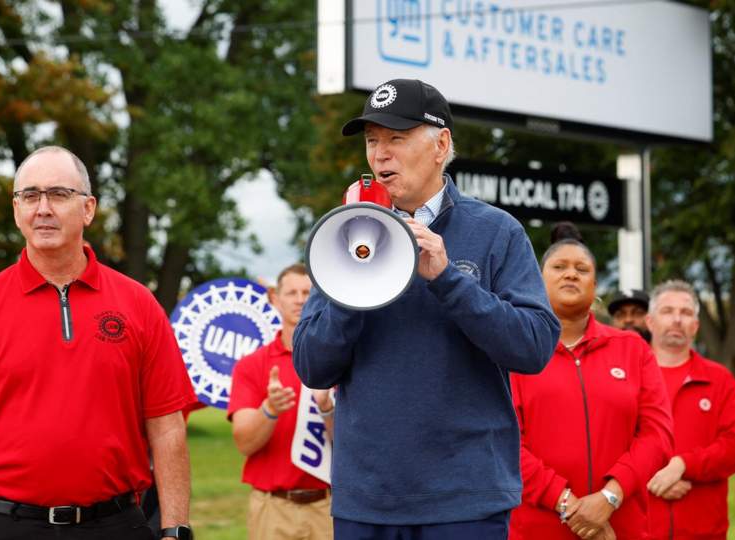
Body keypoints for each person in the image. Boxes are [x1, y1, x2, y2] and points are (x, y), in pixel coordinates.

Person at [293, 79, 560, 540]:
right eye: (372, 141)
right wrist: (354, 281)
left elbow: (533, 346)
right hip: (367, 501)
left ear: (441, 145)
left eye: (396, 138)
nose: (380, 155)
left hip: (465, 501)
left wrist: (448, 280)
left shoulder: (497, 231)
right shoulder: (344, 232)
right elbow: (313, 366)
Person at [0, 146, 196, 539]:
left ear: (88, 209)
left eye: (59, 194)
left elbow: (166, 426)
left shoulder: (138, 304)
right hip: (2, 525)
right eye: (30, 195)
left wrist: (175, 528)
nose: (43, 208)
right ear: (16, 209)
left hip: (113, 524)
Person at [509, 229, 673, 540]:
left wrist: (610, 496)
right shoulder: (514, 351)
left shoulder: (633, 349)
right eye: (559, 267)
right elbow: (506, 442)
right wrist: (568, 505)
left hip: (621, 527)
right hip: (536, 528)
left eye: (582, 269)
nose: (571, 274)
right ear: (536, 280)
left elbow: (657, 434)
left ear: (595, 285)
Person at [229, 263, 335, 540]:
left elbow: (355, 444)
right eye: (291, 293)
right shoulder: (252, 365)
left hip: (330, 506)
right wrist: (269, 410)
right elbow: (244, 442)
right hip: (272, 506)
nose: (300, 300)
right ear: (275, 299)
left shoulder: (340, 361)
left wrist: (327, 409)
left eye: (308, 292)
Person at [644, 279, 735, 540]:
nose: (677, 319)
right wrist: (655, 479)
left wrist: (683, 464)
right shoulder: (628, 376)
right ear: (650, 322)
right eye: (667, 311)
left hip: (703, 530)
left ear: (696, 326)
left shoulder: (719, 380)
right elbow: (609, 445)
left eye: (686, 312)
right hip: (639, 527)